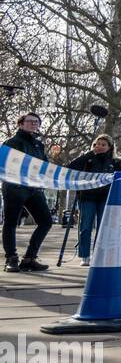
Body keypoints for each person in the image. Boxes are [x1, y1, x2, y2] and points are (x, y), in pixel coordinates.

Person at [2, 112, 55, 272]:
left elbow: (44, 166)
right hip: (15, 187)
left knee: (46, 221)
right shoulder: (12, 142)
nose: (34, 124)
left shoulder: (39, 145)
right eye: (30, 121)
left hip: (34, 188)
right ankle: (11, 259)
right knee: (11, 223)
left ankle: (29, 258)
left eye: (37, 122)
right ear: (21, 124)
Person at [67, 134, 121, 265]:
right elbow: (71, 167)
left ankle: (98, 255)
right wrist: (88, 155)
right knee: (85, 227)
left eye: (103, 144)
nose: (99, 147)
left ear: (110, 147)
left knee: (103, 228)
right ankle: (84, 255)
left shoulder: (117, 163)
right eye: (97, 144)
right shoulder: (87, 159)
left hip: (106, 200)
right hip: (87, 198)